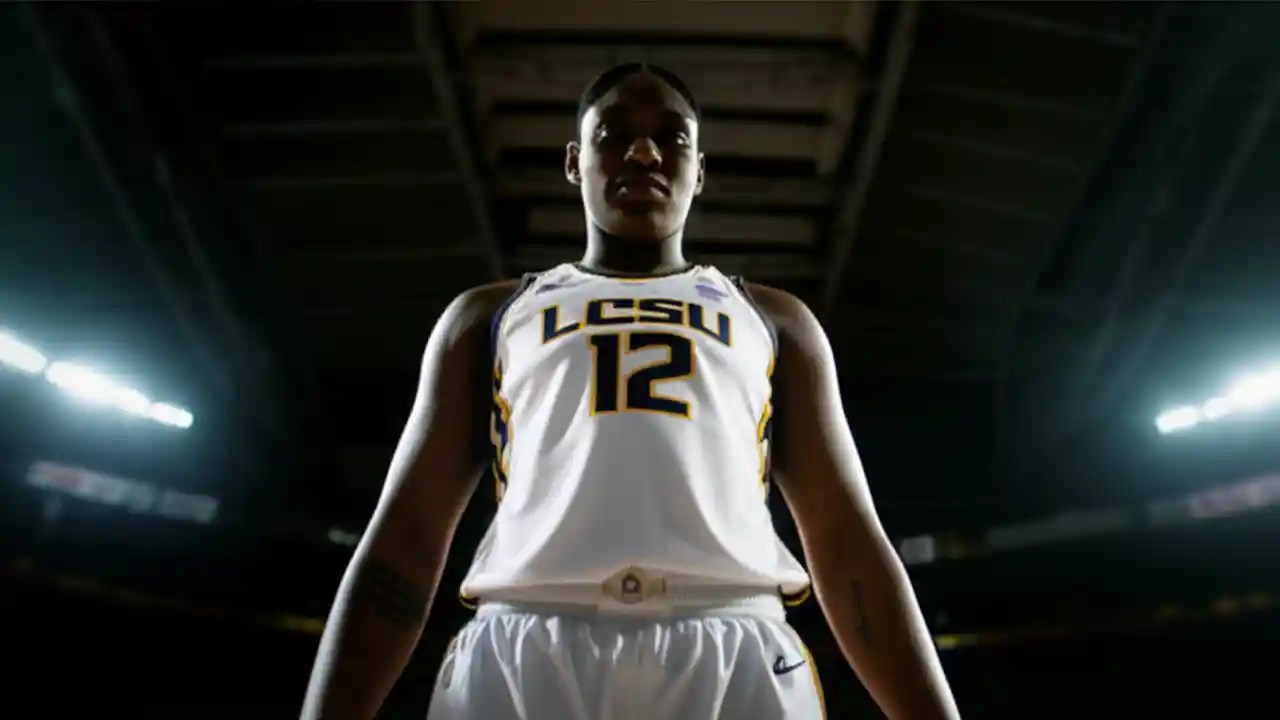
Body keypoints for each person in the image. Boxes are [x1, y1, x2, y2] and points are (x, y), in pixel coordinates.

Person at [301, 63, 960, 720]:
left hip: (731, 640)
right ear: (573, 161)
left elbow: (847, 541)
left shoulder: (775, 320)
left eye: (672, 139)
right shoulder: (489, 316)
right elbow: (406, 538)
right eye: (614, 132)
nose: (643, 151)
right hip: (526, 640)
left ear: (699, 171)